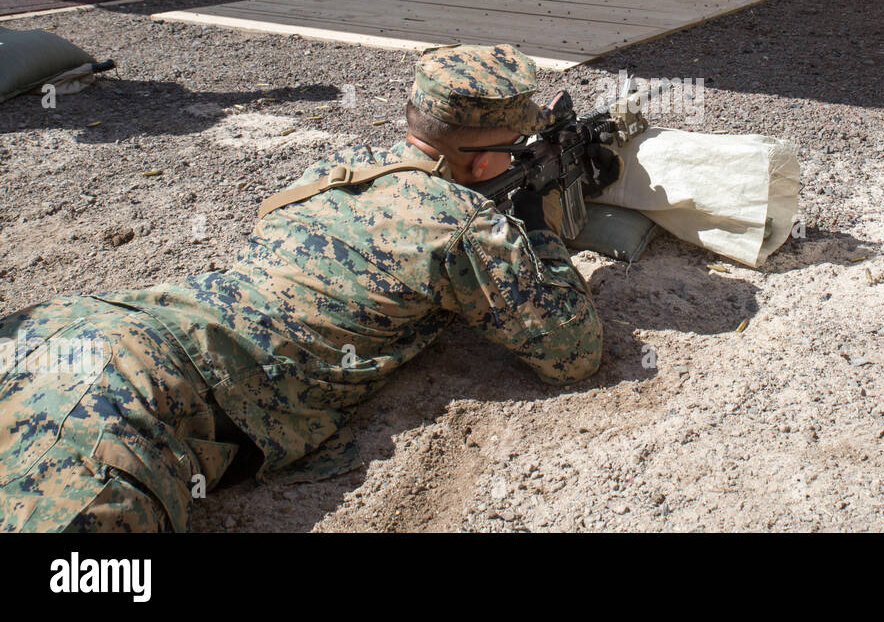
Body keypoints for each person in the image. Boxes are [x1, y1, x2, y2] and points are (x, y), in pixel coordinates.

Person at [0, 43, 609, 532]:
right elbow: (574, 354)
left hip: (64, 325)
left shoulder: (331, 173)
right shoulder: (465, 226)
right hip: (138, 385)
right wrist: (531, 227)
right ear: (481, 165)